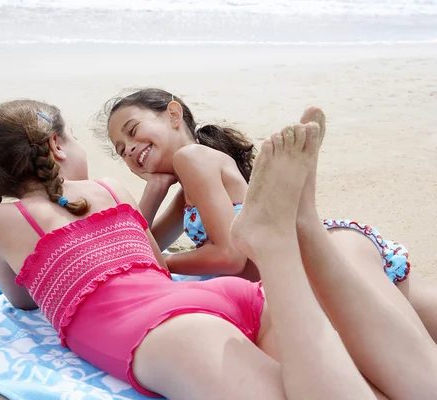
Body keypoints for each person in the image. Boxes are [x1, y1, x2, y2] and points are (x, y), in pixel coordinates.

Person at [0, 99, 437, 399]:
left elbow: (21, 299)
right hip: (224, 296)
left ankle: (276, 247)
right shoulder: (108, 189)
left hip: (165, 328)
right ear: (56, 146)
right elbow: (152, 261)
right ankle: (290, 238)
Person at [103, 88, 437, 341]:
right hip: (312, 268)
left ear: (173, 115)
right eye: (121, 150)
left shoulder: (193, 159)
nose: (129, 148)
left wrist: (168, 263)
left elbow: (229, 256)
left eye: (133, 132)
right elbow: (138, 245)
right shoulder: (185, 186)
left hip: (321, 263)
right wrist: (155, 189)